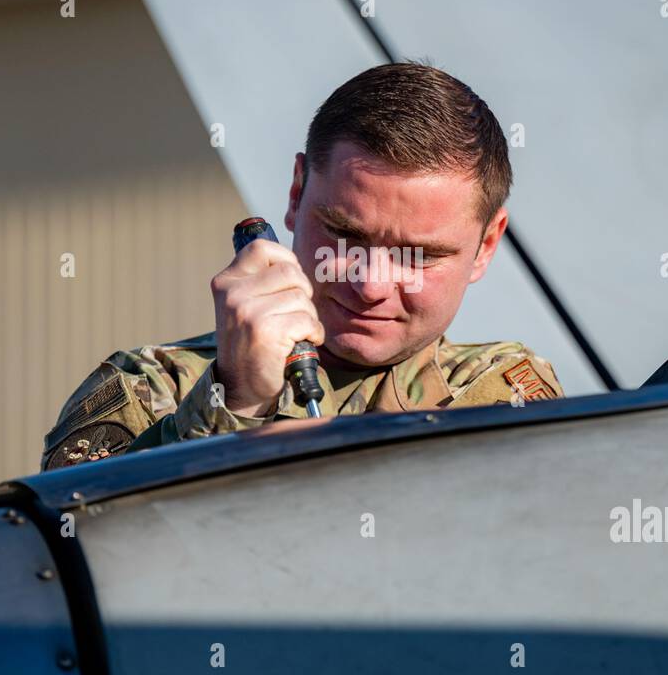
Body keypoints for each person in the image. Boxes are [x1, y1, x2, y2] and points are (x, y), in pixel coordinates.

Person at [40, 62, 563, 470]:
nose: (369, 284)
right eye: (344, 234)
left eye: (419, 255)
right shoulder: (145, 393)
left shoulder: (502, 394)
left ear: (488, 244)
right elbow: (89, 568)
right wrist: (236, 405)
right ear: (296, 194)